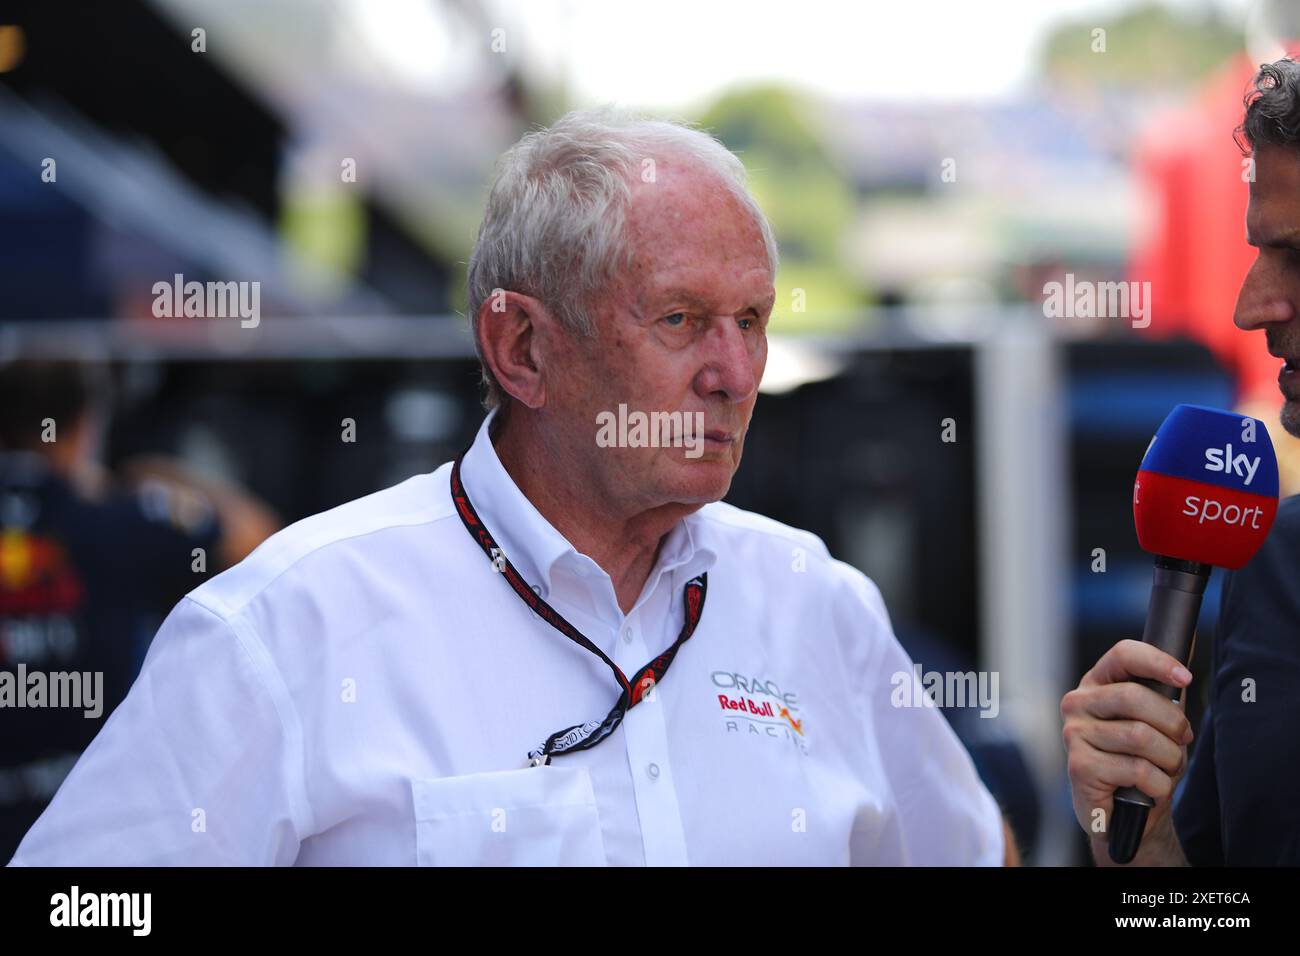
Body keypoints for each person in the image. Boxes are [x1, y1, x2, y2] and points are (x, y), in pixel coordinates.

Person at [10, 109, 1013, 866]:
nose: (733, 369)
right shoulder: (288, 624)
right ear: (523, 345)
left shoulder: (817, 606)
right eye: (677, 318)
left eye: (750, 319)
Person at [1063, 57, 1300, 866]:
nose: (1251, 307)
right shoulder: (1278, 564)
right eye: (1260, 254)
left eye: (1298, 257)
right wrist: (1140, 836)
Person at [0, 359, 279, 859]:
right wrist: (157, 473)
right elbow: (259, 540)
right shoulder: (119, 518)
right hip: (78, 823)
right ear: (86, 425)